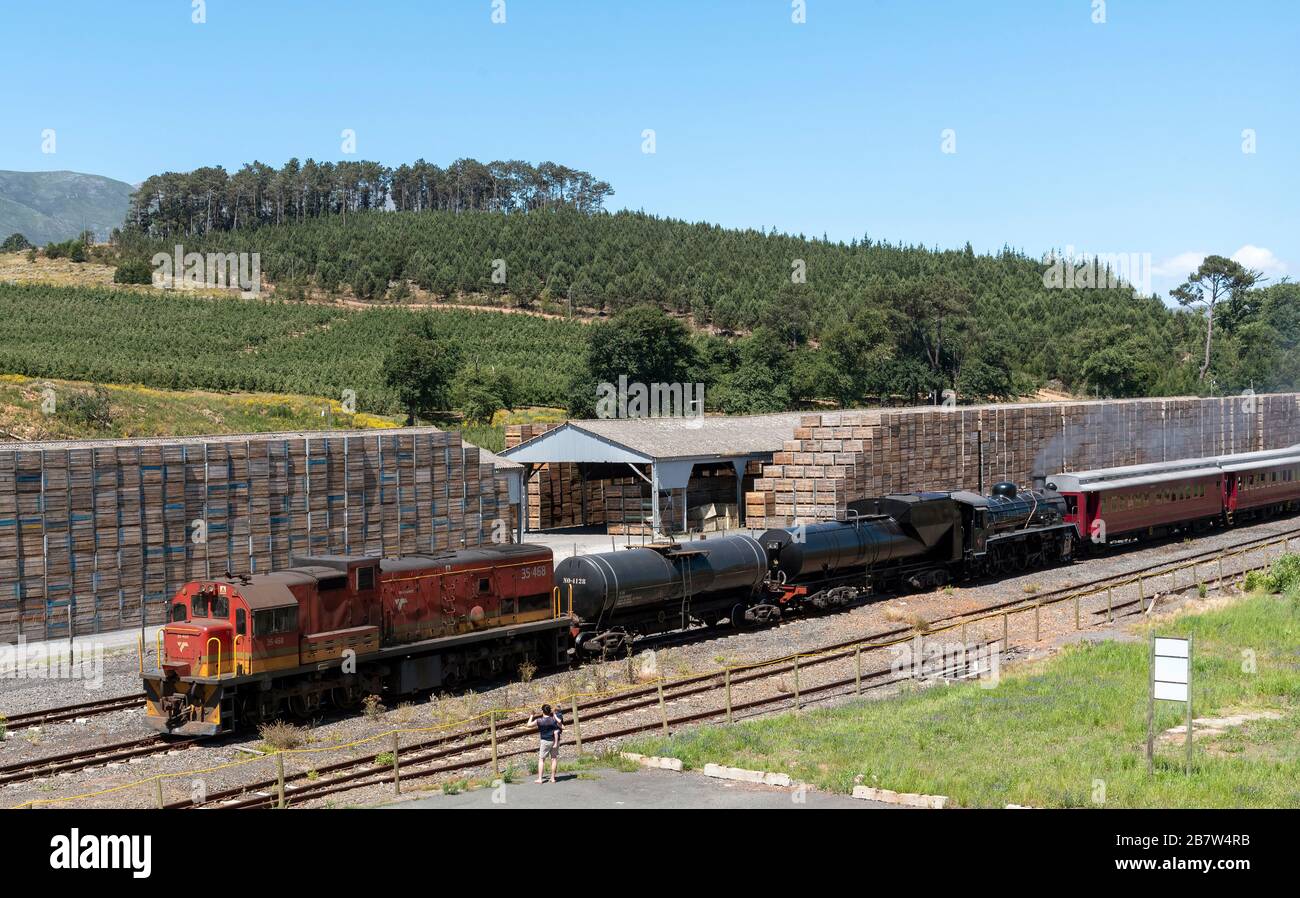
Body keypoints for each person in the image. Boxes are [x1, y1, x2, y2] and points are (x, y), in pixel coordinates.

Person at [527, 703, 562, 783]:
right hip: (555, 740)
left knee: (541, 759)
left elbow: (528, 725)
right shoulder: (553, 719)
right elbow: (560, 725)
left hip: (545, 741)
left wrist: (532, 715)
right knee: (554, 758)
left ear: (542, 711)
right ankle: (552, 778)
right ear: (550, 711)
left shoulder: (539, 720)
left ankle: (540, 779)